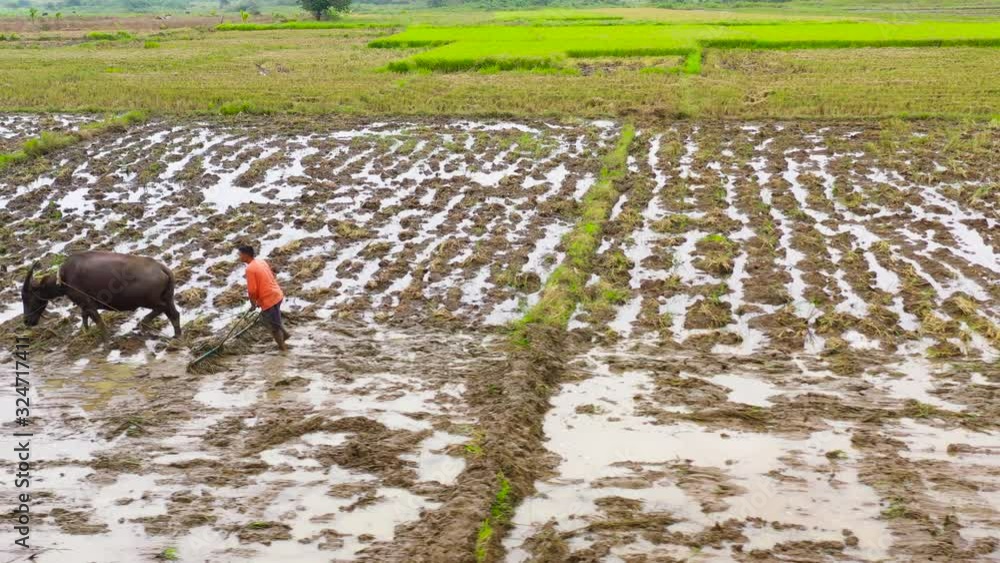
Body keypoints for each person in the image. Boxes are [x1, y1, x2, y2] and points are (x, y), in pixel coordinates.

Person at [237, 245, 290, 352]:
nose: (239, 257)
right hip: (277, 294)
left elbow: (252, 290)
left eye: (240, 254)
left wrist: (253, 304)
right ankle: (285, 335)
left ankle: (283, 349)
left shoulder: (250, 269)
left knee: (273, 327)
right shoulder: (261, 262)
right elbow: (270, 276)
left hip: (269, 299)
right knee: (274, 319)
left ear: (246, 255)